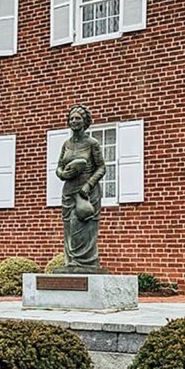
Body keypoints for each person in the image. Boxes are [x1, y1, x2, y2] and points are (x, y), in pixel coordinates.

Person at [55, 104, 106, 272]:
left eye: (78, 118)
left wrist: (89, 184)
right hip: (69, 190)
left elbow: (102, 168)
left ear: (85, 122)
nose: (74, 121)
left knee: (82, 228)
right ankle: (71, 262)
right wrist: (62, 174)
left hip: (87, 192)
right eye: (71, 118)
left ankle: (86, 263)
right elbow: (59, 167)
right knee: (69, 227)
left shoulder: (92, 143)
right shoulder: (66, 144)